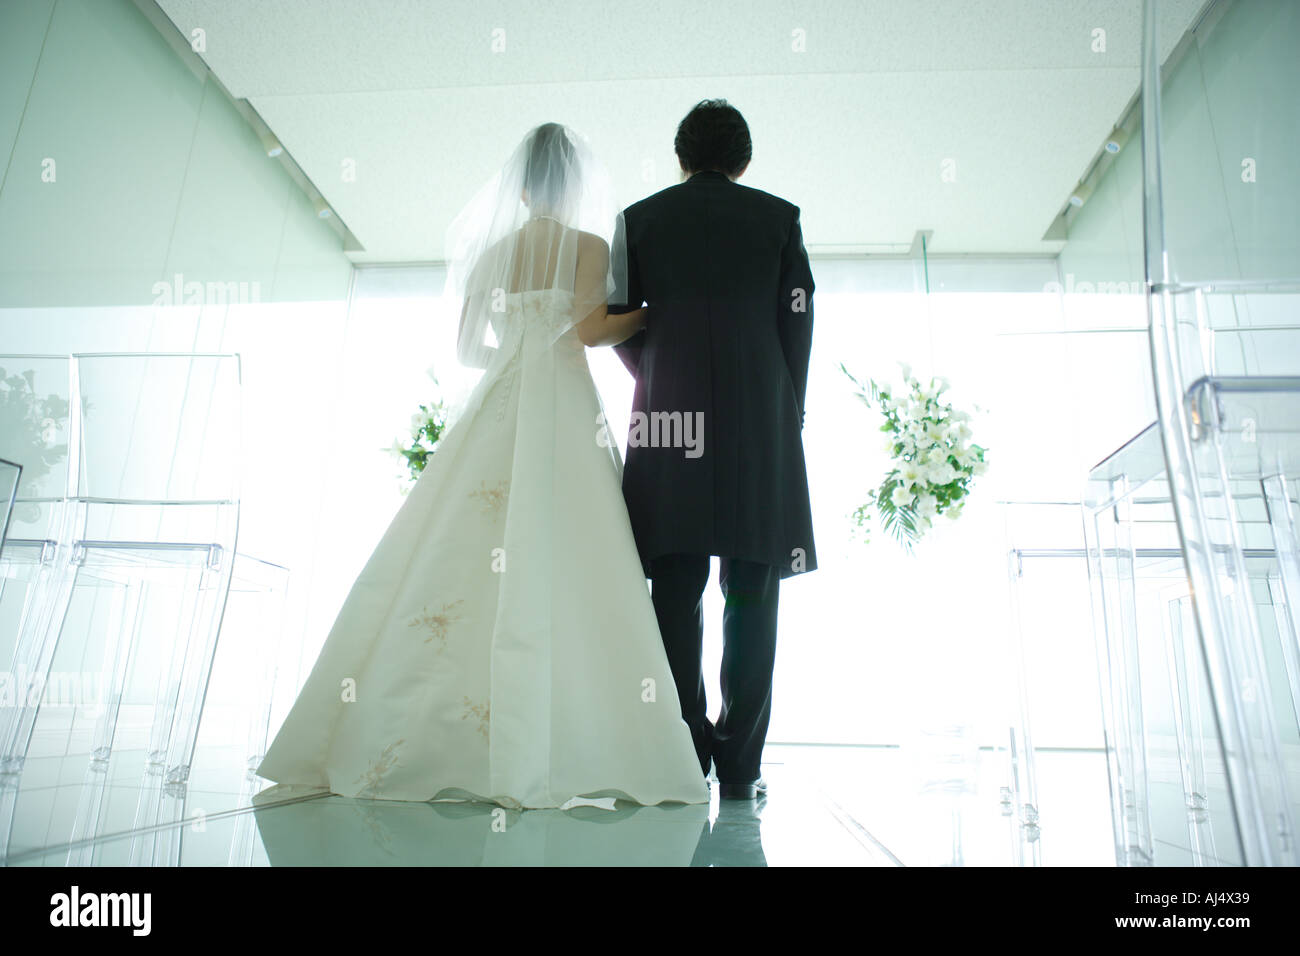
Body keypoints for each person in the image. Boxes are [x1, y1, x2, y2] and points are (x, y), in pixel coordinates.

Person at [254, 123, 709, 810]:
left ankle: (422, 736)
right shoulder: (587, 246)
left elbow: (470, 348)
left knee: (455, 546)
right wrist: (646, 317)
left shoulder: (494, 252)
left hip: (501, 395)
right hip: (560, 402)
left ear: (522, 187)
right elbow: (587, 330)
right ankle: (581, 741)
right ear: (576, 187)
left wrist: (514, 345)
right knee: (574, 552)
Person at [609, 99, 817, 799]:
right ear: (744, 160)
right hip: (759, 427)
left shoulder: (640, 220)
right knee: (752, 596)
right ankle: (741, 766)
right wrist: (786, 408)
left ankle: (684, 752)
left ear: (679, 156)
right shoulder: (779, 218)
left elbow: (622, 324)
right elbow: (798, 322)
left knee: (673, 593)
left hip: (669, 424)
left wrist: (661, 372)